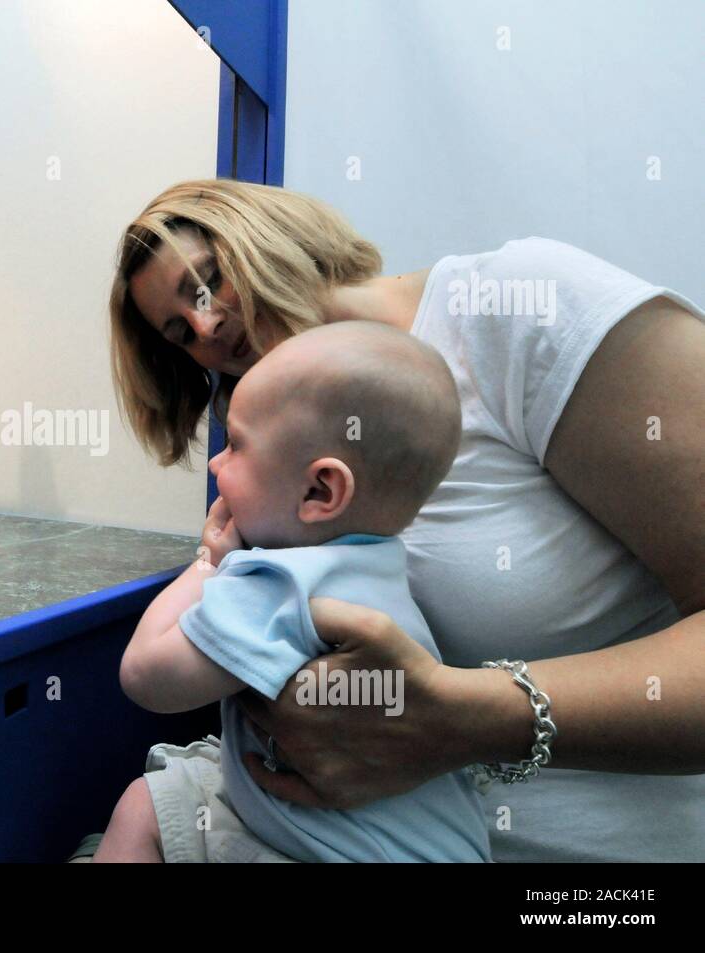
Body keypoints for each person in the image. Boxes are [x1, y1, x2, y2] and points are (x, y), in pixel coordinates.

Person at [105, 179, 705, 862]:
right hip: (309, 828)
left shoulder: (524, 309)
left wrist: (465, 718)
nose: (208, 328)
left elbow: (153, 668)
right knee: (146, 806)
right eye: (180, 333)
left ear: (263, 230)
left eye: (208, 281)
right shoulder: (286, 443)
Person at [96, 321, 491, 862]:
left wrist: (209, 562)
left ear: (320, 490)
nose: (216, 462)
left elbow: (146, 676)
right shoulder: (376, 566)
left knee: (143, 804)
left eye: (236, 445)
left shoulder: (280, 584)